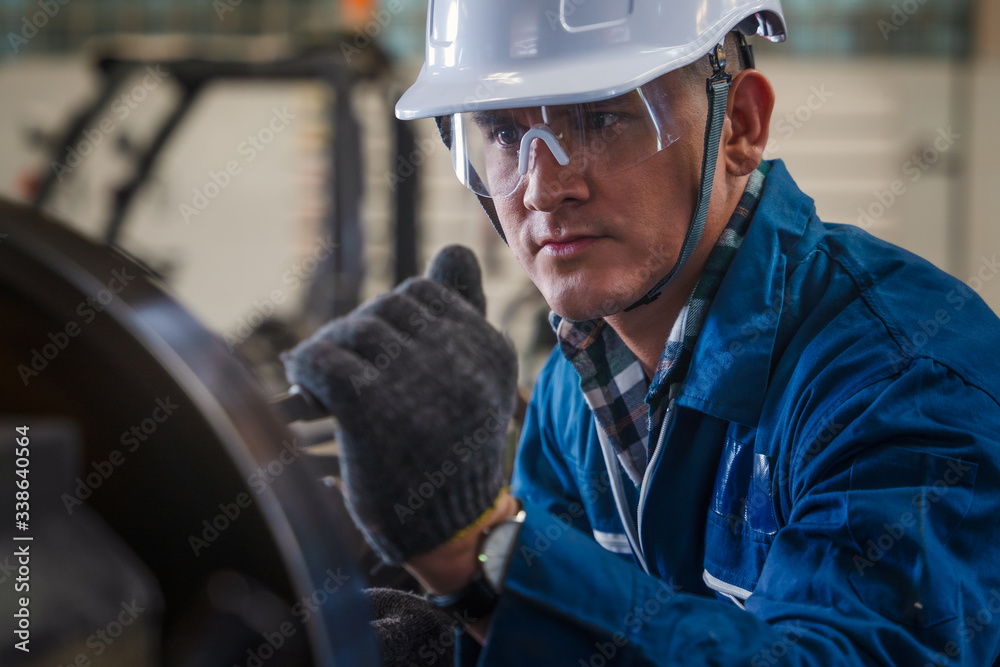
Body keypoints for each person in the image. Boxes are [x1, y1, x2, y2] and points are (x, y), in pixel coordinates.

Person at [284, 0, 1000, 664]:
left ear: (741, 127)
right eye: (504, 132)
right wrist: (460, 627)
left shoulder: (905, 385)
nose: (542, 187)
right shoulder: (578, 377)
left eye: (598, 119)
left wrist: (478, 546)